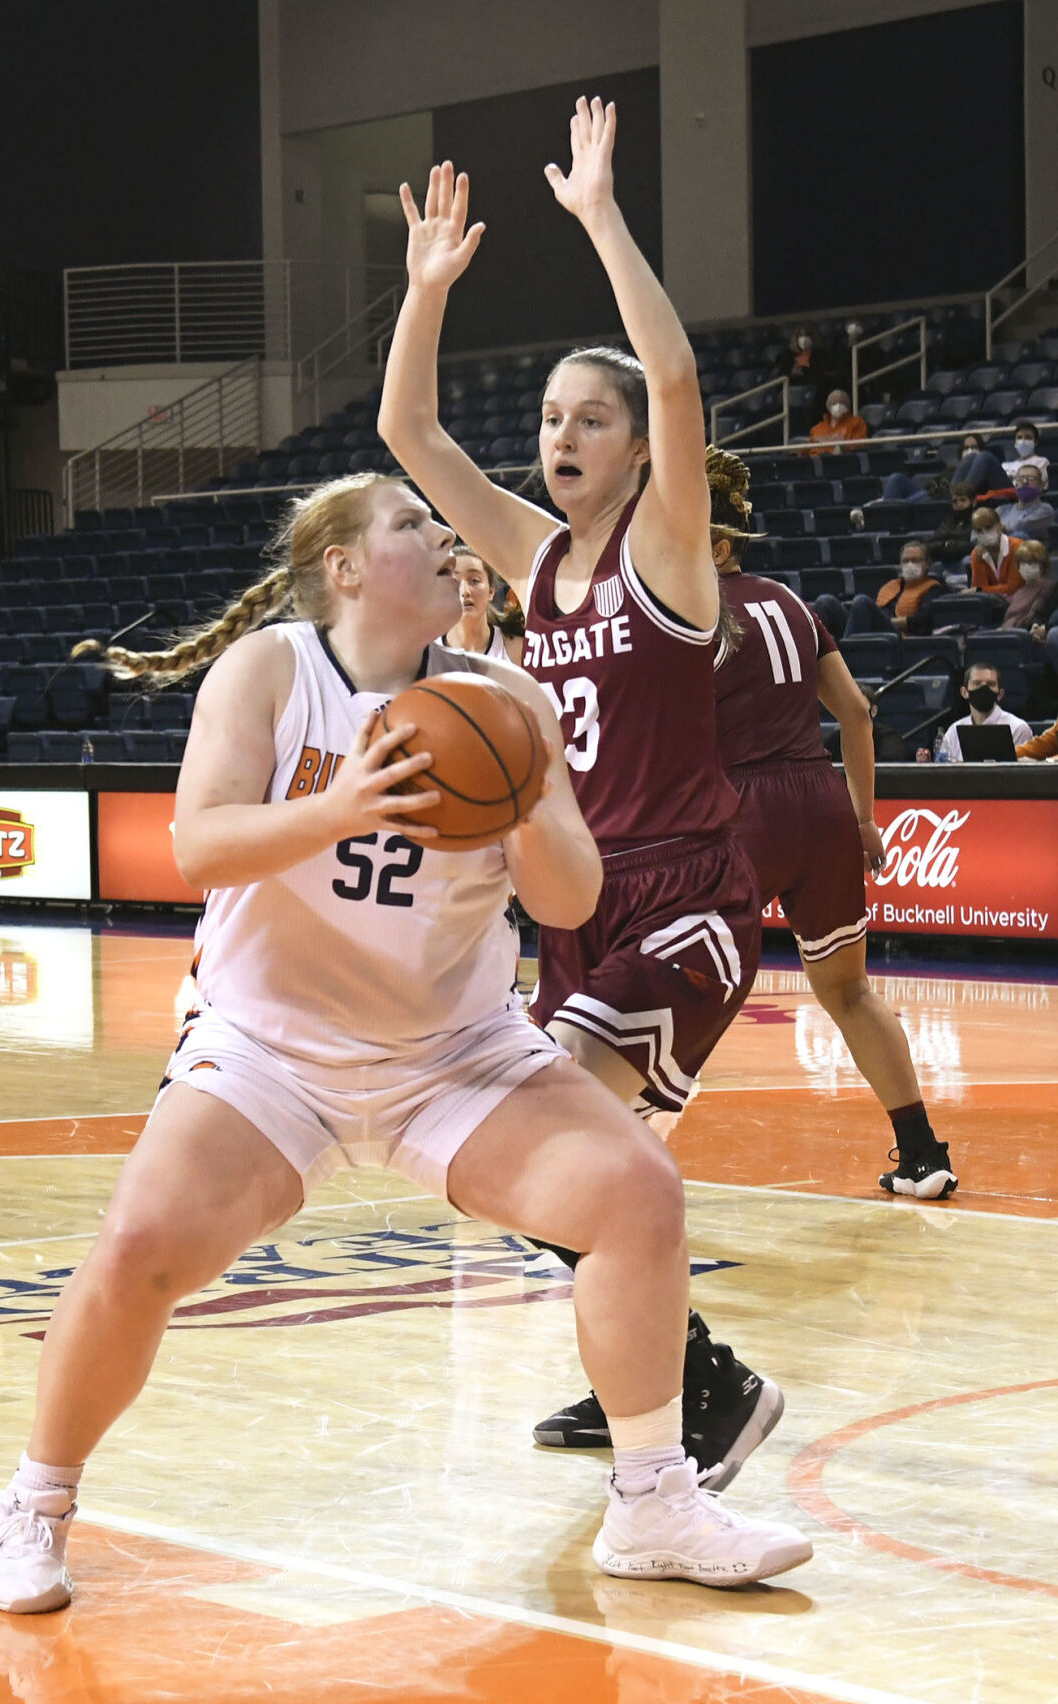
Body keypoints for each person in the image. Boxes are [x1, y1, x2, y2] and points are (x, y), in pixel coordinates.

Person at [0, 472, 812, 1614]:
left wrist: (521, 798)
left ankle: (653, 1501)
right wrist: (343, 805)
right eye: (412, 524)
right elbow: (200, 847)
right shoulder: (270, 671)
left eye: (441, 522)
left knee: (634, 1193)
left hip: (452, 1055)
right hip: (270, 1048)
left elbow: (566, 902)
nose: (442, 538)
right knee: (139, 1249)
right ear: (346, 567)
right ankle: (37, 1501)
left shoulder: (504, 697)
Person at [377, 104, 785, 1477]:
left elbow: (676, 381)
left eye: (588, 418)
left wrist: (601, 217)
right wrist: (426, 290)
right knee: (547, 1164)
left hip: (686, 896)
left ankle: (700, 1376)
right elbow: (408, 428)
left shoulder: (668, 553)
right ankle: (654, 1370)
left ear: (628, 447)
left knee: (555, 1111)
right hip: (580, 903)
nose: (563, 434)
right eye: (550, 416)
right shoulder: (534, 559)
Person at [709, 451, 955, 1199]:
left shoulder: (685, 609)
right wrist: (864, 817)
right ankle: (922, 1155)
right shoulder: (791, 600)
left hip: (738, 806)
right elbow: (854, 712)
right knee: (848, 992)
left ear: (719, 543)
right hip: (818, 800)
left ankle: (609, 1163)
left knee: (686, 986)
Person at [812, 540, 942, 640]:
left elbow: (920, 621)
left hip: (898, 637)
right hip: (875, 626)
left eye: (915, 560)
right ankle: (810, 660)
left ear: (926, 564)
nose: (910, 565)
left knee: (861, 602)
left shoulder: (932, 587)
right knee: (825, 602)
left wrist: (885, 621)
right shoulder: (891, 586)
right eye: (906, 561)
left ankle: (847, 659)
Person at [931, 663, 1032, 762]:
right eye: (977, 683)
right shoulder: (954, 731)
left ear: (1000, 694)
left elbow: (1020, 774)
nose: (983, 689)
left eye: (990, 684)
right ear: (964, 692)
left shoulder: (1018, 728)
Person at [442, 545, 525, 662]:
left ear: (491, 591)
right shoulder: (424, 652)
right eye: (455, 581)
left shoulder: (517, 650)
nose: (465, 591)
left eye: (474, 581)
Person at [823, 684, 910, 763]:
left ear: (873, 711)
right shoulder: (835, 739)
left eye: (859, 707)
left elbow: (890, 767)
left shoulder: (887, 738)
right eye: (849, 706)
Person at [998, 539, 1058, 633]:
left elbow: (1034, 616)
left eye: (1030, 562)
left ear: (1042, 565)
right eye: (1022, 563)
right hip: (1007, 632)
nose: (1026, 567)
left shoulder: (1048, 587)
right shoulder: (1019, 591)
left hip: (1023, 634)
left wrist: (1007, 629)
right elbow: (1008, 617)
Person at [967, 509, 1025, 601]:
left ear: (999, 526)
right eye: (979, 530)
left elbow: (1013, 587)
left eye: (988, 527)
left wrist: (981, 590)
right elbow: (978, 592)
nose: (984, 533)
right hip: (995, 603)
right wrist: (979, 560)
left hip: (1020, 599)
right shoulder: (976, 554)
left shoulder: (1017, 547)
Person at [995, 460, 1054, 544]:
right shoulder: (1002, 510)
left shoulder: (1045, 510)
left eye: (1031, 479)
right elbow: (977, 533)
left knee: (1020, 535)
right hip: (998, 552)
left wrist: (994, 530)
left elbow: (1020, 526)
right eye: (1020, 478)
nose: (1025, 482)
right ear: (1015, 484)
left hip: (1030, 553)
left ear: (1041, 485)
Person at [926, 481, 978, 568]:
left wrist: (946, 545)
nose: (959, 504)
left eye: (963, 500)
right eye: (955, 501)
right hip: (945, 561)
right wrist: (945, 545)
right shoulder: (948, 522)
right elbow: (928, 544)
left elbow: (972, 546)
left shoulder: (979, 520)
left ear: (974, 501)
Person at [807, 389, 868, 455]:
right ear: (828, 406)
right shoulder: (816, 429)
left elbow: (859, 446)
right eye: (834, 402)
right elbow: (807, 451)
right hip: (819, 463)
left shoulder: (857, 423)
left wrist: (841, 448)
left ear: (848, 405)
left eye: (842, 402)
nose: (838, 405)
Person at [1002, 419, 1049, 487]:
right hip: (1005, 494)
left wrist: (1014, 477)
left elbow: (1040, 485)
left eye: (1028, 438)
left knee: (986, 458)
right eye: (1019, 437)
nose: (1023, 441)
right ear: (1015, 442)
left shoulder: (1042, 462)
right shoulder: (1006, 465)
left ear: (1035, 442)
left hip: (1025, 494)